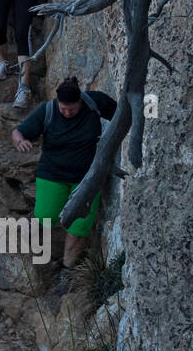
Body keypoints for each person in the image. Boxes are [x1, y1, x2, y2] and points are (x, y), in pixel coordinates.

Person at [11, 77, 118, 268]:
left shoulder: (95, 102)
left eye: (72, 109)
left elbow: (121, 114)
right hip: (52, 174)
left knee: (79, 226)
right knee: (45, 216)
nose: (67, 113)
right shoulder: (48, 110)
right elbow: (18, 132)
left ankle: (67, 270)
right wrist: (20, 142)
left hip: (88, 177)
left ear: (80, 102)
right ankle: (35, 260)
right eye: (63, 109)